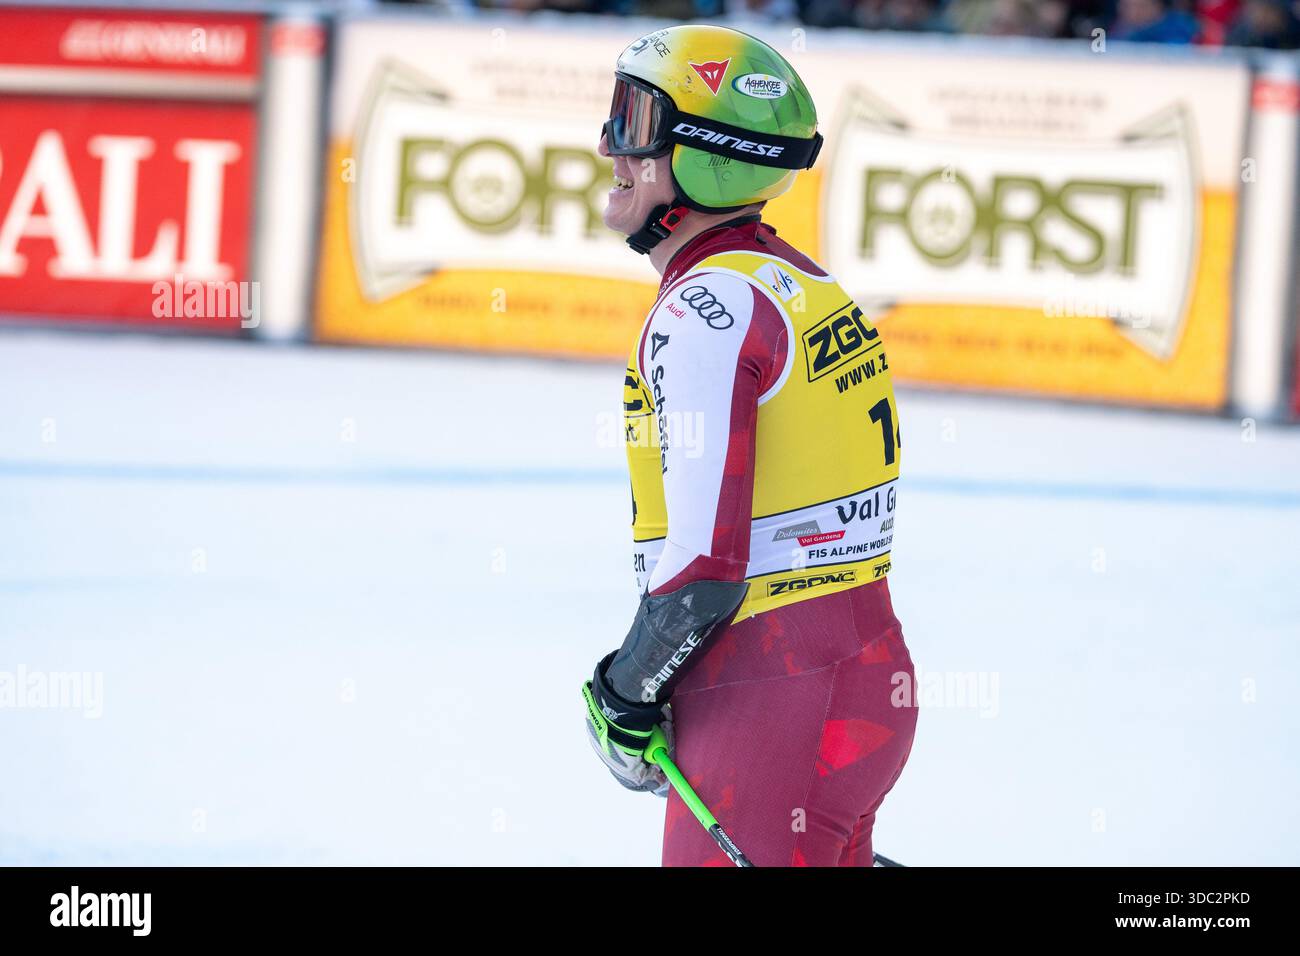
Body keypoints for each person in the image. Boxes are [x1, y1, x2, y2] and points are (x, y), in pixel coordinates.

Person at [579, 23, 916, 867]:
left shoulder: (702, 314)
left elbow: (702, 572)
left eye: (634, 122)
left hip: (768, 696)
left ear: (704, 154)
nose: (608, 147)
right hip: (860, 671)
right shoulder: (798, 281)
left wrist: (625, 695)